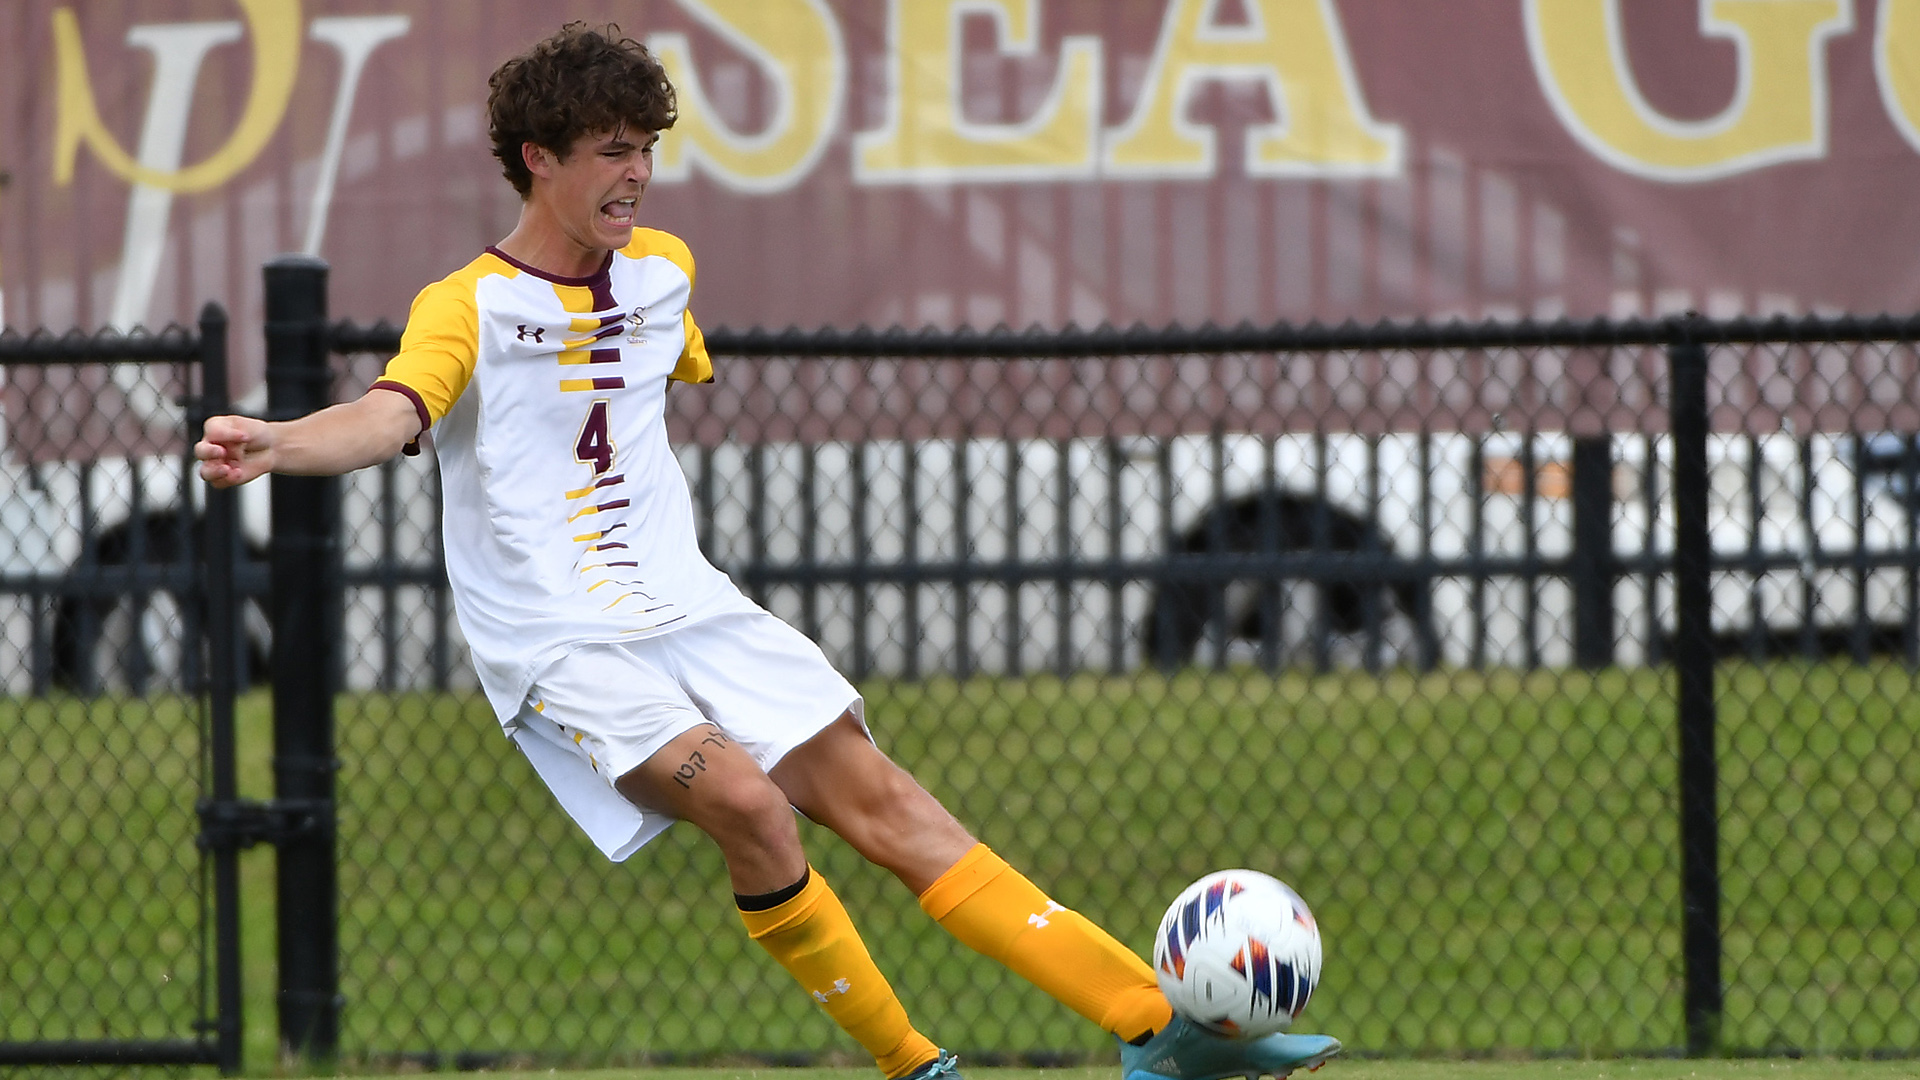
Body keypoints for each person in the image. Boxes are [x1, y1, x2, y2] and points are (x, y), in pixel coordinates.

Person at [195, 22, 1339, 1080]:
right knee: (750, 804)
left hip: (690, 609)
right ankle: (912, 1064)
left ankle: (1163, 1032)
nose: (635, 173)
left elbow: (661, 359)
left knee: (894, 810)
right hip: (558, 643)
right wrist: (281, 442)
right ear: (536, 158)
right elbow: (396, 415)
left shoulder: (662, 277)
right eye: (608, 150)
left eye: (645, 148)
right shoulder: (466, 306)